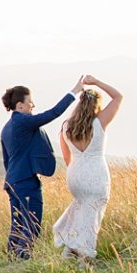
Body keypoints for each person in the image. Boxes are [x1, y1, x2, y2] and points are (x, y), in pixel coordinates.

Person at [0, 77, 81, 259]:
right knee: (31, 226)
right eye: (30, 103)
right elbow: (53, 113)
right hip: (26, 183)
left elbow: (7, 161)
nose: (32, 106)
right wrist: (74, 92)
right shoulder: (22, 121)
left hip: (12, 182)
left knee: (18, 226)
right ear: (20, 105)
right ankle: (22, 264)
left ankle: (12, 263)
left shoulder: (6, 128)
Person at [52, 74, 124, 261]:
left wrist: (78, 174)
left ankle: (70, 250)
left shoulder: (66, 126)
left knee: (81, 211)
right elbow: (118, 97)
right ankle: (85, 257)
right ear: (96, 105)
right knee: (93, 216)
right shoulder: (99, 123)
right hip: (96, 175)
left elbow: (67, 157)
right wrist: (97, 82)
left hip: (75, 176)